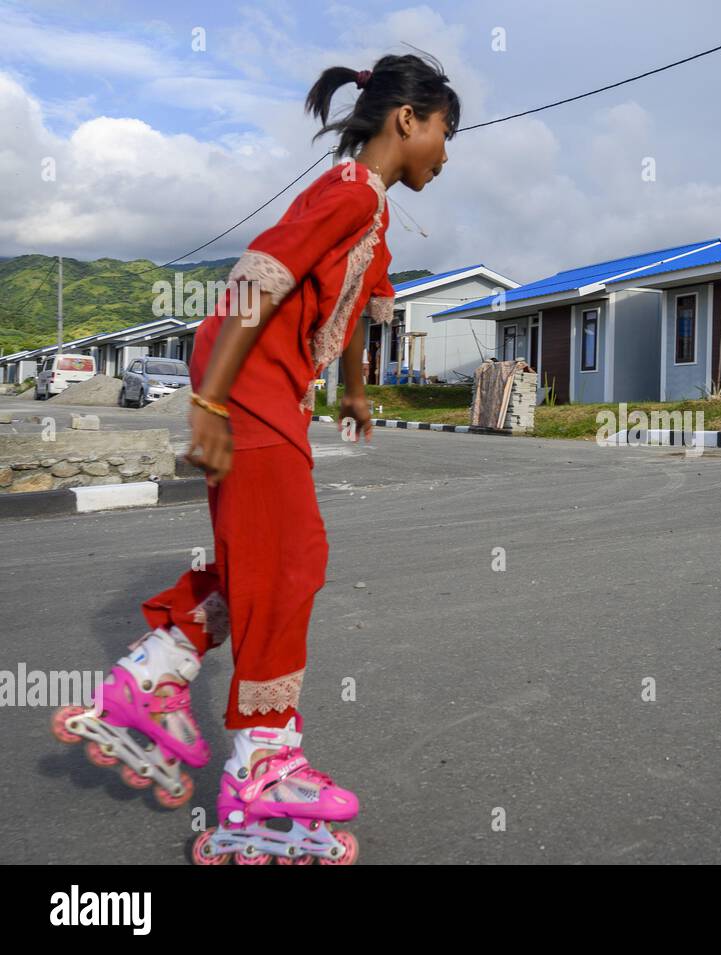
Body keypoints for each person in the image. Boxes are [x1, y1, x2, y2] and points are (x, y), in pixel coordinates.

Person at [52, 53, 460, 865]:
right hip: (246, 388)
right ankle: (263, 763)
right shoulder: (344, 193)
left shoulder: (372, 214)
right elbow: (259, 277)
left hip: (271, 390)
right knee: (293, 559)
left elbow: (359, 313)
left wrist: (355, 392)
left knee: (271, 560)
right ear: (407, 120)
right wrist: (208, 401)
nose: (448, 154)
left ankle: (155, 672)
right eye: (448, 131)